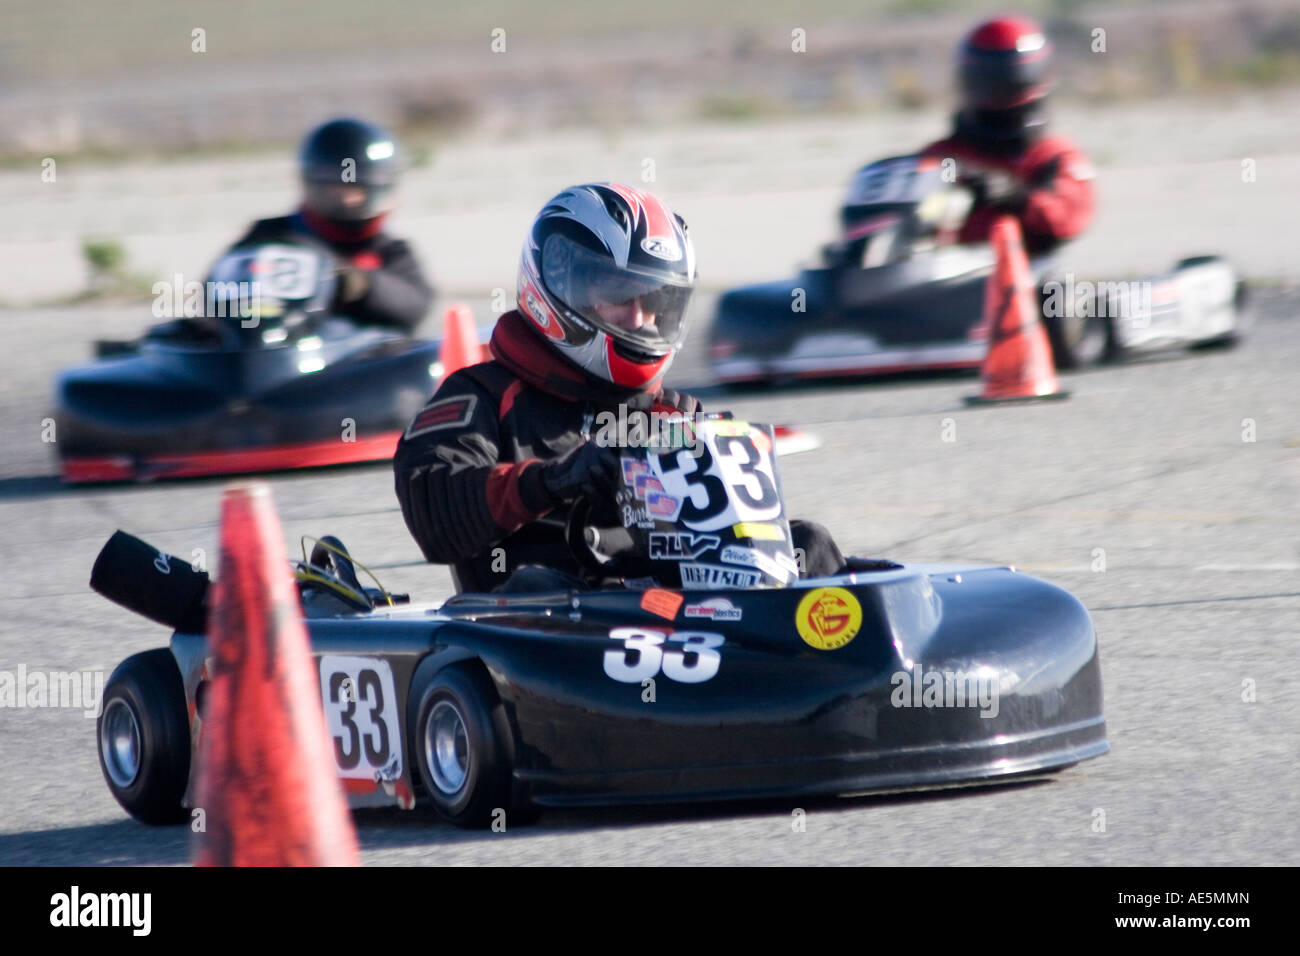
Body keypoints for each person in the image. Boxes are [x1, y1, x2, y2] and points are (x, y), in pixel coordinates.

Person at [393, 182, 844, 593]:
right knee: (540, 582)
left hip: (665, 618)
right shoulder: (482, 395)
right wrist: (553, 480)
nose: (639, 320)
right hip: (541, 623)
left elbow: (731, 551)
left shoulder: (671, 412)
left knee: (809, 544)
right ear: (557, 281)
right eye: (618, 296)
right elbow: (436, 514)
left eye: (654, 301)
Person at [224, 117, 433, 331]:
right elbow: (215, 290)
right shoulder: (269, 237)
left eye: (359, 191)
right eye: (337, 191)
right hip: (276, 352)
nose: (348, 200)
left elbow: (415, 304)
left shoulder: (389, 251)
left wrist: (359, 284)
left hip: (355, 358)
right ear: (315, 186)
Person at [916, 15, 1095, 256]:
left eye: (1003, 85)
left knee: (1006, 230)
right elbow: (913, 205)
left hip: (1025, 279)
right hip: (937, 280)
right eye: (987, 83)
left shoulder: (1054, 156)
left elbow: (1068, 220)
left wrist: (1015, 196)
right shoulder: (943, 156)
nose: (995, 93)